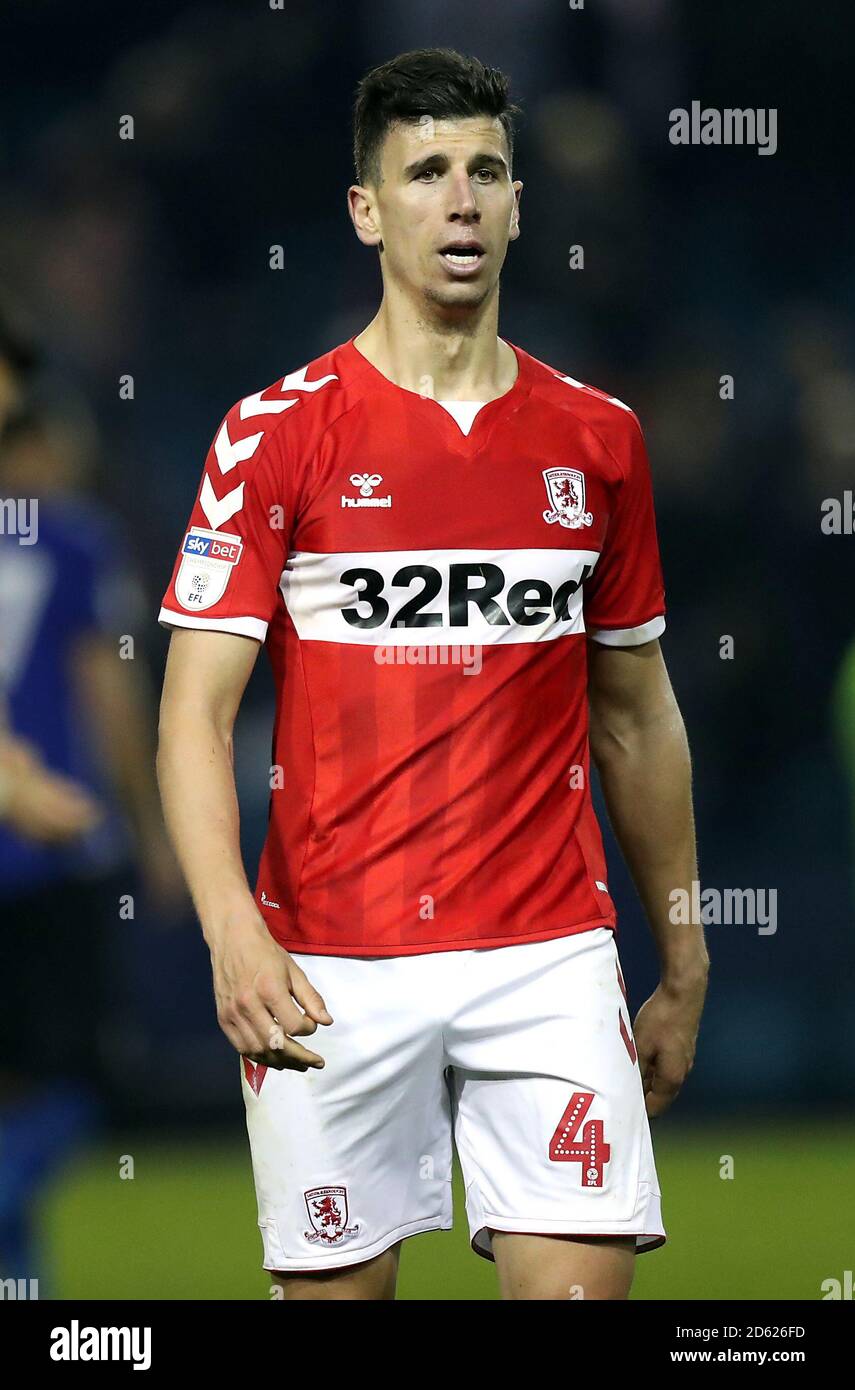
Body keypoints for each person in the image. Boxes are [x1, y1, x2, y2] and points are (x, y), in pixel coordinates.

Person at [157, 47, 708, 1301]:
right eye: (424, 174)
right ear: (367, 210)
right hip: (328, 962)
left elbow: (636, 714)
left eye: (486, 172)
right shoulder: (274, 435)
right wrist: (230, 932)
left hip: (549, 953)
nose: (459, 200)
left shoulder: (599, 439)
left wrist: (683, 954)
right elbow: (192, 711)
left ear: (518, 205)